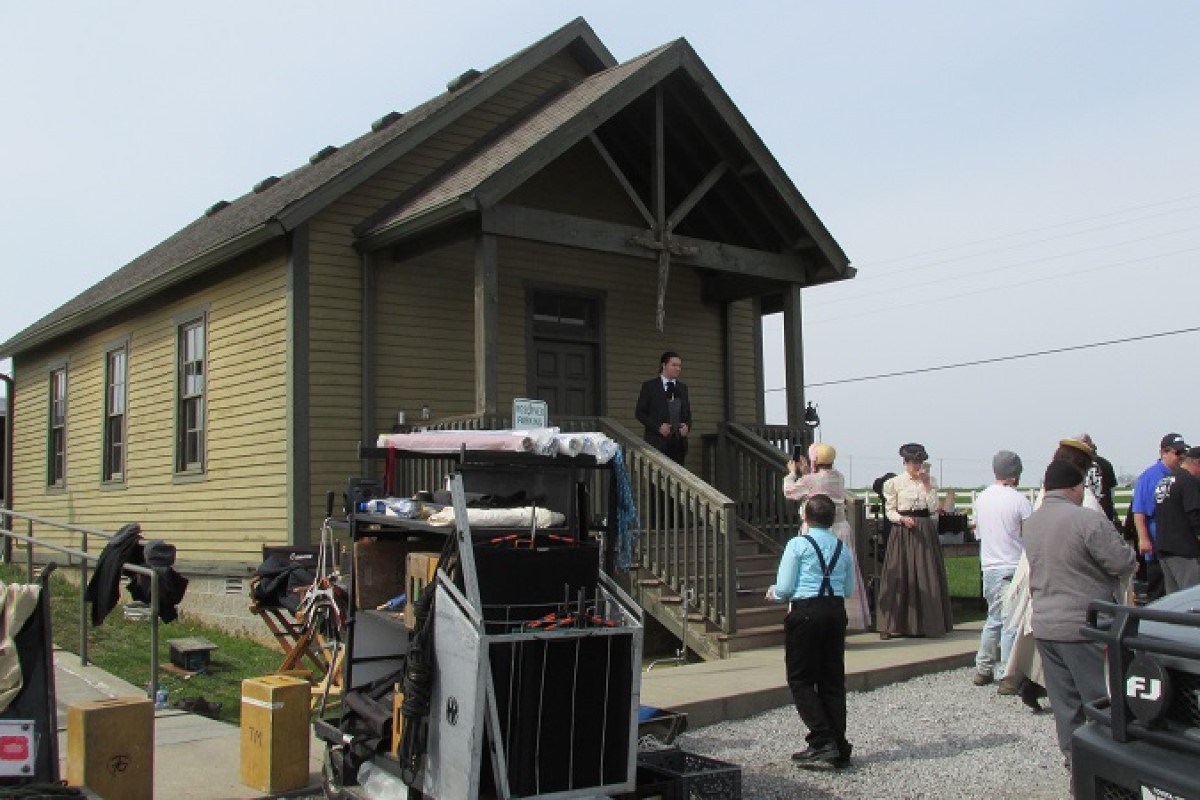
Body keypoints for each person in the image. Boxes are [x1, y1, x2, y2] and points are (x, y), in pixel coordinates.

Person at [1022, 459, 1135, 770]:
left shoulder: (1032, 523)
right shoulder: (1086, 520)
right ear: (1075, 487)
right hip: (1085, 625)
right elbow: (1122, 562)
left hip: (1046, 623)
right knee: (1100, 700)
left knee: (1064, 704)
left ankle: (1075, 762)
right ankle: (1107, 765)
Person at [766, 494, 855, 768]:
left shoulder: (798, 545)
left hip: (805, 613)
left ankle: (821, 739)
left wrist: (774, 593)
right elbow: (849, 589)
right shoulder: (843, 548)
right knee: (831, 680)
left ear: (805, 517)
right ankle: (839, 744)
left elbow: (784, 586)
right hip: (835, 611)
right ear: (831, 520)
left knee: (801, 679)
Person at [781, 443, 872, 630]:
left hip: (817, 529)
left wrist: (792, 472)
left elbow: (790, 491)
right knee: (840, 570)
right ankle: (846, 618)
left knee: (813, 569)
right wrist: (807, 472)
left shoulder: (811, 480)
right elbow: (817, 483)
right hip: (841, 529)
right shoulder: (838, 477)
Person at [877, 443, 953, 640]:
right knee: (898, 574)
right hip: (902, 530)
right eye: (913, 463)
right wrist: (901, 519)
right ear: (905, 462)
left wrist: (927, 486)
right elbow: (890, 510)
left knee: (926, 574)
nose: (917, 466)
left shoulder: (929, 481)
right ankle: (890, 624)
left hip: (924, 529)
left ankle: (928, 623)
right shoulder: (894, 483)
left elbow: (934, 508)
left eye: (919, 462)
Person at [971, 450, 1032, 689]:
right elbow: (1030, 535)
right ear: (1015, 474)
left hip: (989, 565)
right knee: (1011, 622)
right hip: (1012, 566)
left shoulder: (982, 498)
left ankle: (983, 667)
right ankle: (1008, 674)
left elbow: (978, 532)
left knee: (993, 619)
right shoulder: (1020, 501)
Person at [1131, 433, 1188, 601]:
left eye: (1183, 452)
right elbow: (1139, 511)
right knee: (1159, 595)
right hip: (1157, 547)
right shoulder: (1149, 477)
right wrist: (1143, 538)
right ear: (1164, 452)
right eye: (1177, 453)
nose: (1181, 457)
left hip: (1180, 547)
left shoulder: (1185, 476)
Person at [1152, 445, 1200, 593]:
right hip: (1185, 551)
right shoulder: (1188, 481)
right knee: (1190, 599)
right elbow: (1194, 515)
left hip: (1164, 549)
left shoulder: (1165, 480)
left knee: (1174, 601)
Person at [635, 351, 692, 465]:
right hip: (657, 442)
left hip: (678, 443)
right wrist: (658, 427)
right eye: (674, 365)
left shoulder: (682, 388)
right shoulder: (650, 386)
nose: (678, 369)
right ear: (664, 365)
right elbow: (640, 413)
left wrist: (687, 426)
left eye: (679, 366)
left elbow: (687, 414)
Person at [1077, 433, 1118, 523]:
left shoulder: (1072, 464)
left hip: (1080, 515)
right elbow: (1112, 493)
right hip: (1103, 514)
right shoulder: (1105, 464)